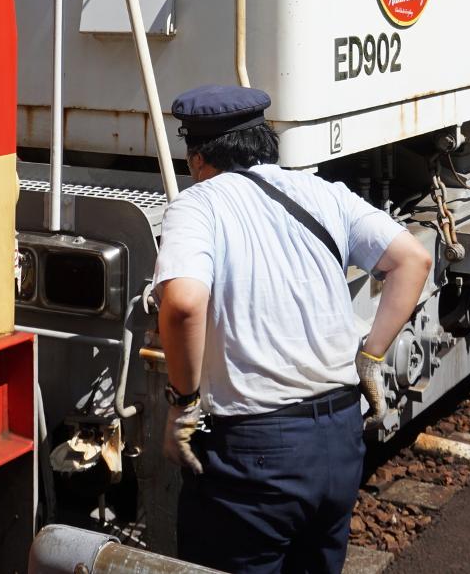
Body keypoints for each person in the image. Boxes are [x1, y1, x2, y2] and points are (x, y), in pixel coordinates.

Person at [152, 84, 433, 574]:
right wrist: (370, 357)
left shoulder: (198, 205)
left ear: (197, 159)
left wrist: (183, 404)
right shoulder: (325, 192)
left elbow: (182, 304)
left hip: (253, 454)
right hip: (339, 441)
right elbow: (413, 259)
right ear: (266, 142)